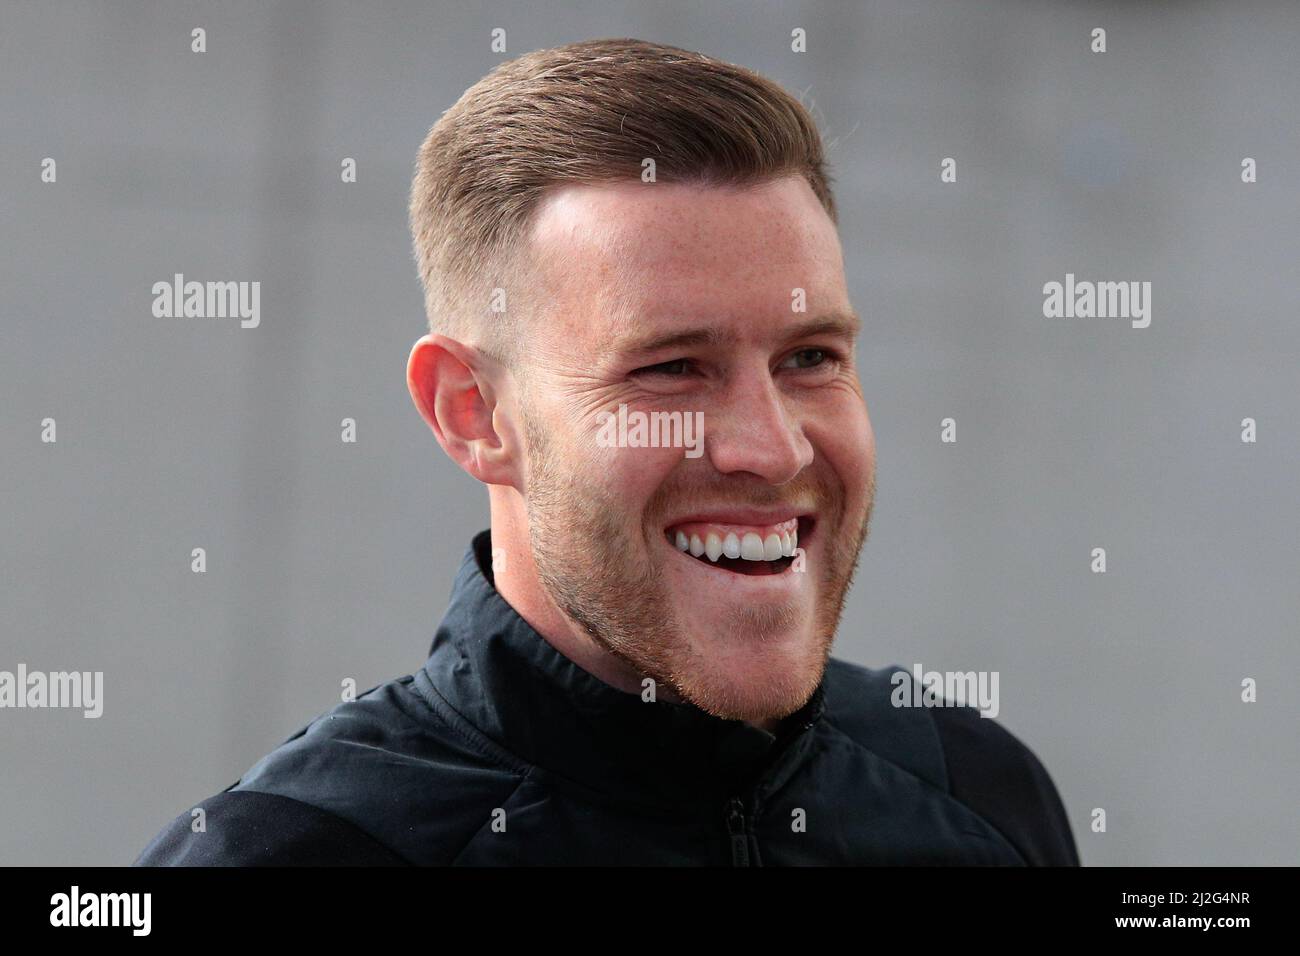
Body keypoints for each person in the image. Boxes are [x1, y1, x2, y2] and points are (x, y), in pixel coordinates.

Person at [135, 37, 1078, 866]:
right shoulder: (290, 854)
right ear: (473, 413)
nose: (770, 447)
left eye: (809, 358)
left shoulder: (979, 796)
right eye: (671, 368)